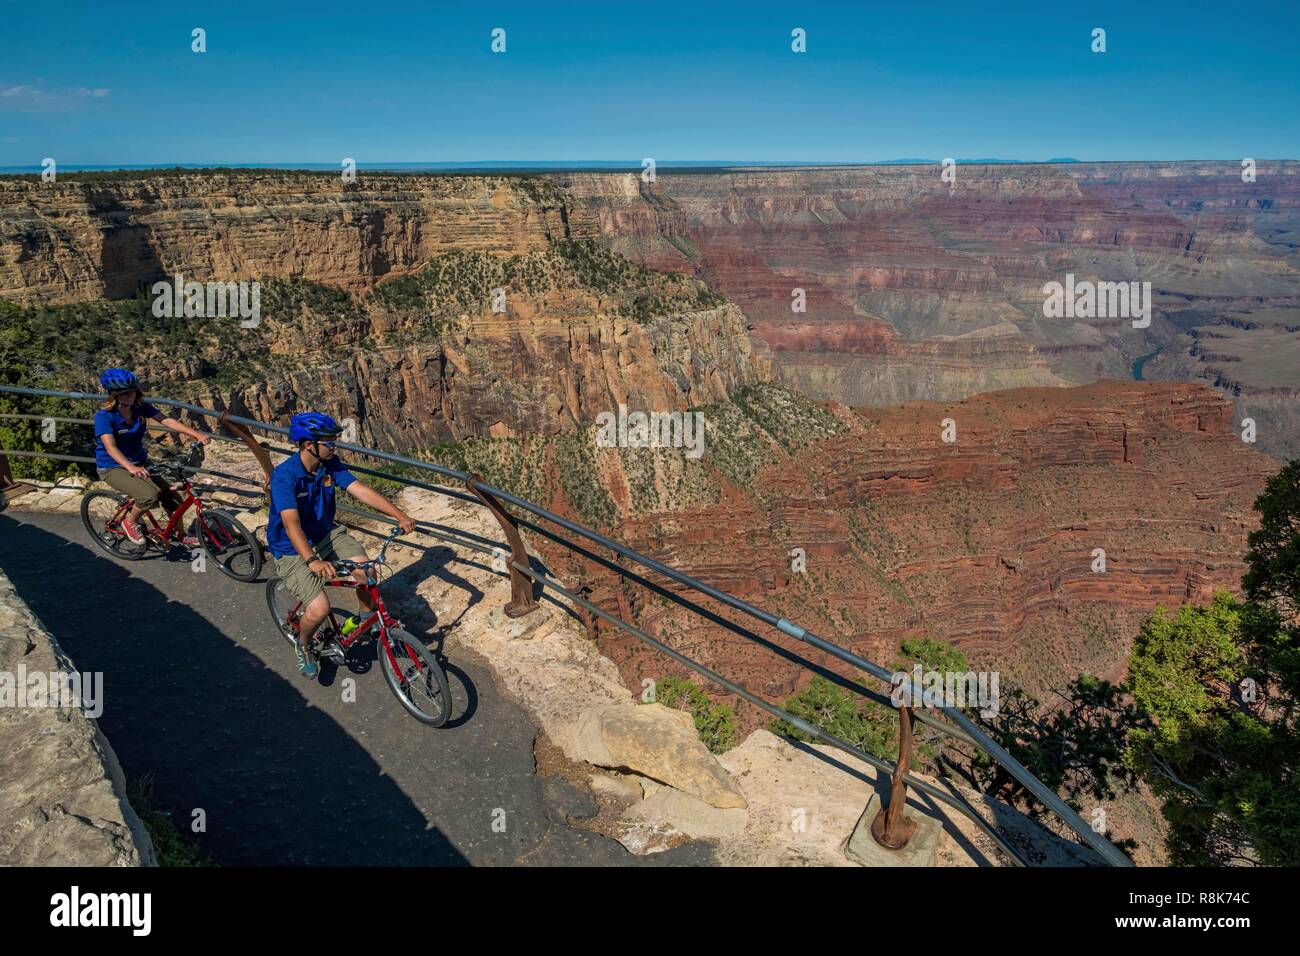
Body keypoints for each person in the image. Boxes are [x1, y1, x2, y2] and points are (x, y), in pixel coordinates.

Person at [267, 412, 417, 678]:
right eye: (328, 441)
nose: (334, 445)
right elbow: (291, 524)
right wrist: (312, 560)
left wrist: (399, 515)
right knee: (319, 609)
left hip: (326, 533)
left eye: (334, 440)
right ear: (307, 444)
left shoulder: (330, 465)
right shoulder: (284, 477)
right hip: (292, 548)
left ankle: (363, 619)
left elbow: (359, 489)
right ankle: (303, 646)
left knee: (366, 571)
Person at [93, 368, 211, 544]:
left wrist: (195, 433)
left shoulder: (140, 407)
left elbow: (166, 420)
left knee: (173, 499)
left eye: (132, 391)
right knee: (148, 495)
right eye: (124, 393)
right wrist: (131, 467)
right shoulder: (104, 417)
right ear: (114, 395)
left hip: (140, 461)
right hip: (112, 466)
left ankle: (180, 535)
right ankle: (130, 522)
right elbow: (111, 447)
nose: (130, 396)